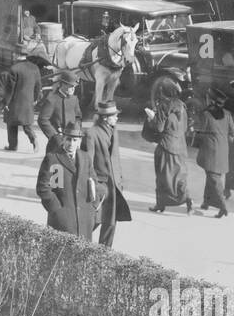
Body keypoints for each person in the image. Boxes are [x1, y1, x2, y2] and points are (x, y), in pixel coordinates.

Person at [83, 100, 132, 247]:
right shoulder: (91, 134)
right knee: (94, 220)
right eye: (114, 116)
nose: (117, 118)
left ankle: (105, 253)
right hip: (102, 185)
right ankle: (79, 246)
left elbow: (115, 158)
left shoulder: (113, 131)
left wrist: (120, 179)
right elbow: (88, 162)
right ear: (105, 118)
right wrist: (94, 184)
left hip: (115, 185)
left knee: (111, 222)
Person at [35, 121, 97, 240]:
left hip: (84, 219)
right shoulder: (53, 158)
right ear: (63, 139)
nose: (71, 144)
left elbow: (94, 181)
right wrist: (57, 210)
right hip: (62, 220)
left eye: (75, 140)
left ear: (79, 142)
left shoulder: (85, 158)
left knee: (83, 255)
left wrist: (93, 206)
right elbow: (43, 187)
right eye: (68, 139)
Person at [142, 77, 191, 214]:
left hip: (166, 146)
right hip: (180, 146)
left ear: (162, 91)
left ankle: (160, 204)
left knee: (162, 176)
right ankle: (187, 199)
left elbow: (158, 128)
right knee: (179, 176)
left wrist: (151, 117)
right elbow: (185, 127)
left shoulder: (164, 105)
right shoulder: (181, 105)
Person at [193, 88, 234, 218]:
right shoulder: (227, 114)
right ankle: (207, 201)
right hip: (223, 149)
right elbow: (233, 132)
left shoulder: (206, 114)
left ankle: (223, 207)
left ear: (211, 100)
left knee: (214, 178)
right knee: (212, 175)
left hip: (210, 150)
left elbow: (200, 131)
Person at [37, 70, 81, 151]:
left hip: (71, 140)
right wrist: (54, 135)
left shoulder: (74, 99)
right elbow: (42, 120)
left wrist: (76, 132)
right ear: (63, 84)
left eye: (74, 87)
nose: (73, 89)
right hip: (57, 143)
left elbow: (78, 117)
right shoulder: (52, 99)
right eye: (71, 86)